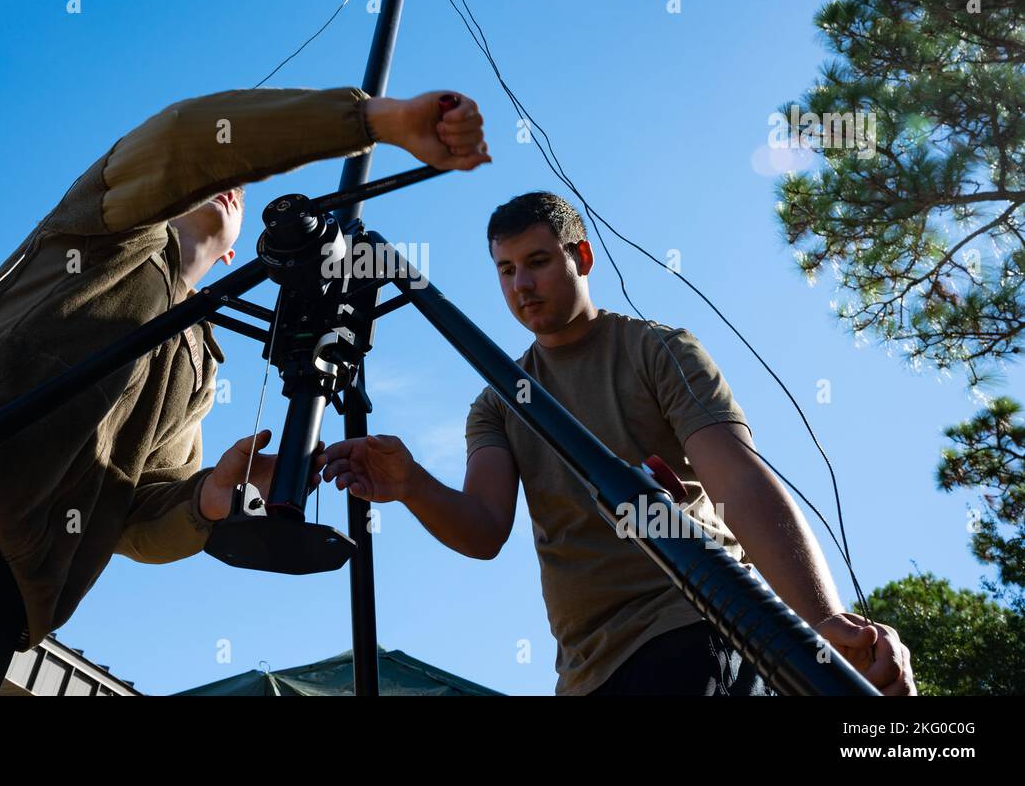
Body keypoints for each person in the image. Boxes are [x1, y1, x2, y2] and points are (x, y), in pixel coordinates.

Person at [0, 86, 489, 695]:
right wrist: (373, 120)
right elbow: (183, 139)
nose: (229, 188)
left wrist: (208, 500)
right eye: (217, 180)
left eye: (239, 193)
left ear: (230, 259)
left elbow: (139, 519)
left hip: (6, 596)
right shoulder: (105, 230)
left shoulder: (197, 361)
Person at [320, 191, 917, 696]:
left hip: (692, 628)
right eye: (506, 270)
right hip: (585, 672)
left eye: (537, 261)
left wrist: (819, 624)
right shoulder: (496, 402)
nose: (521, 284)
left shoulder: (656, 350)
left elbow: (737, 480)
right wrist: (412, 485)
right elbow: (482, 528)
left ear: (580, 257)